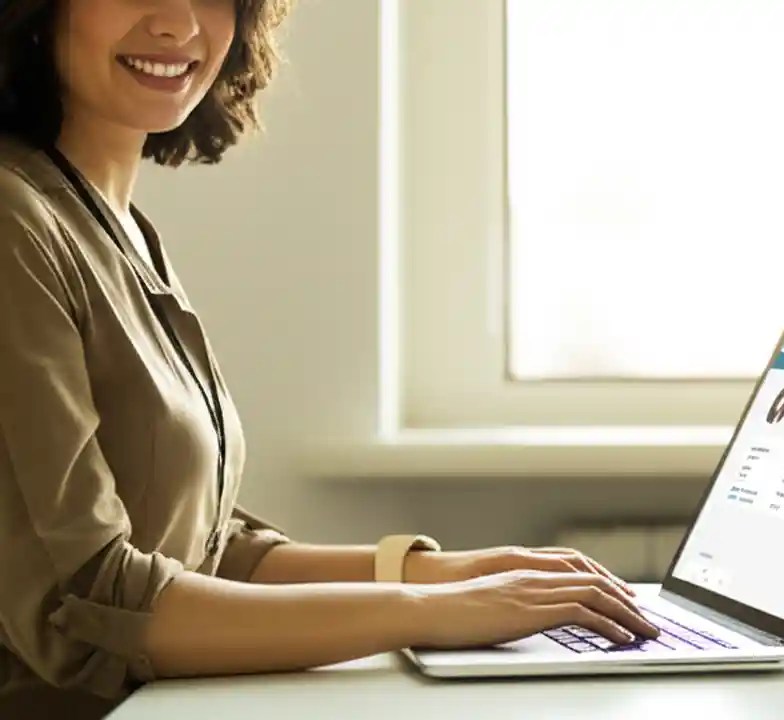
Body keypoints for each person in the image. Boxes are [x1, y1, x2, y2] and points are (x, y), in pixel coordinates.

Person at [0, 1, 657, 716]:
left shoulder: (107, 220)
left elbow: (206, 554)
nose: (179, 22)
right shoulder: (14, 221)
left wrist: (445, 574)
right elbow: (89, 602)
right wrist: (431, 610)